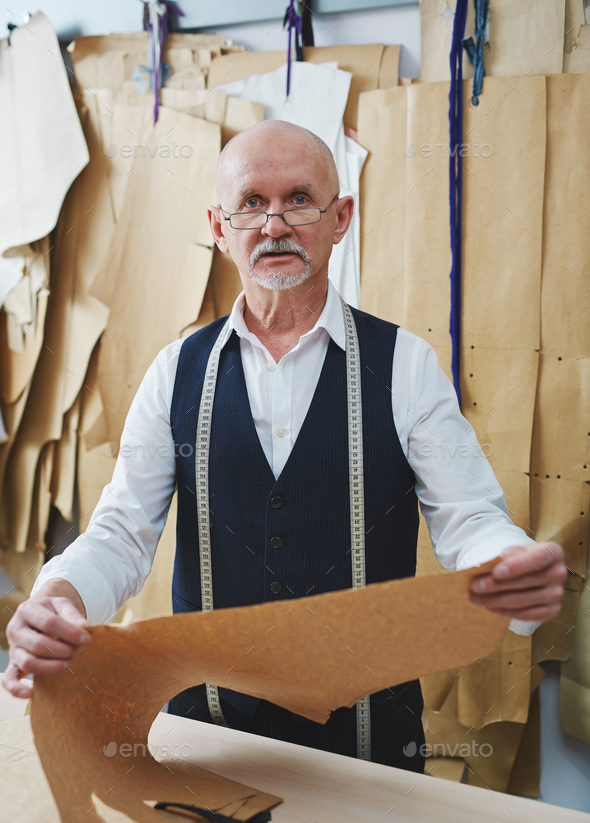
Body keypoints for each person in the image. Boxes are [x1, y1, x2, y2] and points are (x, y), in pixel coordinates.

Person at [2, 121, 566, 770]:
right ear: (219, 228)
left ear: (340, 217)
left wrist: (510, 566)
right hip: (209, 739)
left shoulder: (405, 365)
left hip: (368, 747)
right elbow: (123, 530)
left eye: (299, 198)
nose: (274, 224)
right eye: (250, 203)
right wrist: (59, 598)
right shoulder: (174, 372)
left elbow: (470, 520)